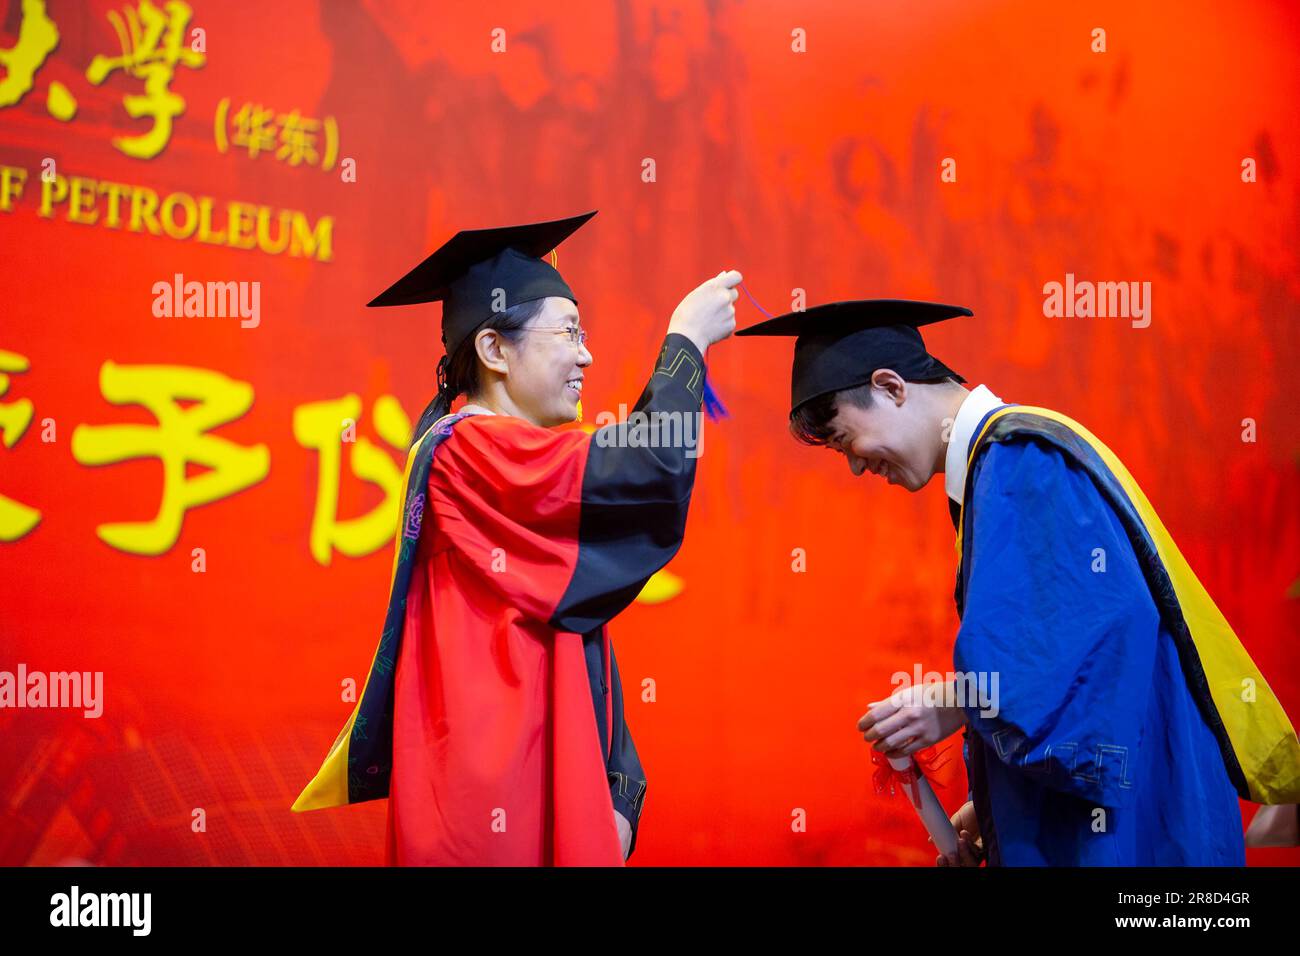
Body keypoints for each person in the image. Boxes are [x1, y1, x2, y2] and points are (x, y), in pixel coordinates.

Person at [737, 298, 1300, 866]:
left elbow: (1094, 642)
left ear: (890, 386)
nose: (857, 468)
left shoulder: (1020, 459)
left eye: (844, 442)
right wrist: (997, 799)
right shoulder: (1003, 462)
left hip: (1136, 834)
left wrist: (953, 701)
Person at [293, 210, 741, 865]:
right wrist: (685, 344)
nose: (588, 354)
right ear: (494, 350)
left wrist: (617, 789)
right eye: (569, 333)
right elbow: (645, 471)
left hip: (539, 781)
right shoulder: (467, 452)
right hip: (496, 806)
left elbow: (577, 623)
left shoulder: (509, 455)